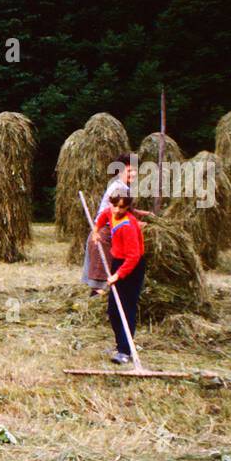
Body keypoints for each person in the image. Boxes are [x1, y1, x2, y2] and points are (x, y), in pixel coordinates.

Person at [94, 189, 146, 364]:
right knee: (113, 310)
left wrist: (117, 275)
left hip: (132, 267)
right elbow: (103, 216)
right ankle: (121, 345)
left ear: (128, 207)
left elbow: (134, 257)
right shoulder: (111, 211)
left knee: (126, 308)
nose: (116, 210)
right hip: (118, 261)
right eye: (114, 205)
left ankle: (125, 351)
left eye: (122, 207)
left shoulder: (129, 225)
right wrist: (96, 231)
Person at [82, 153, 135, 294]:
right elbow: (113, 214)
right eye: (130, 171)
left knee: (107, 272)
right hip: (104, 232)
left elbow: (128, 210)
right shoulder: (118, 189)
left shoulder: (123, 187)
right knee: (100, 273)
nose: (134, 173)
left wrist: (144, 215)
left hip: (109, 230)